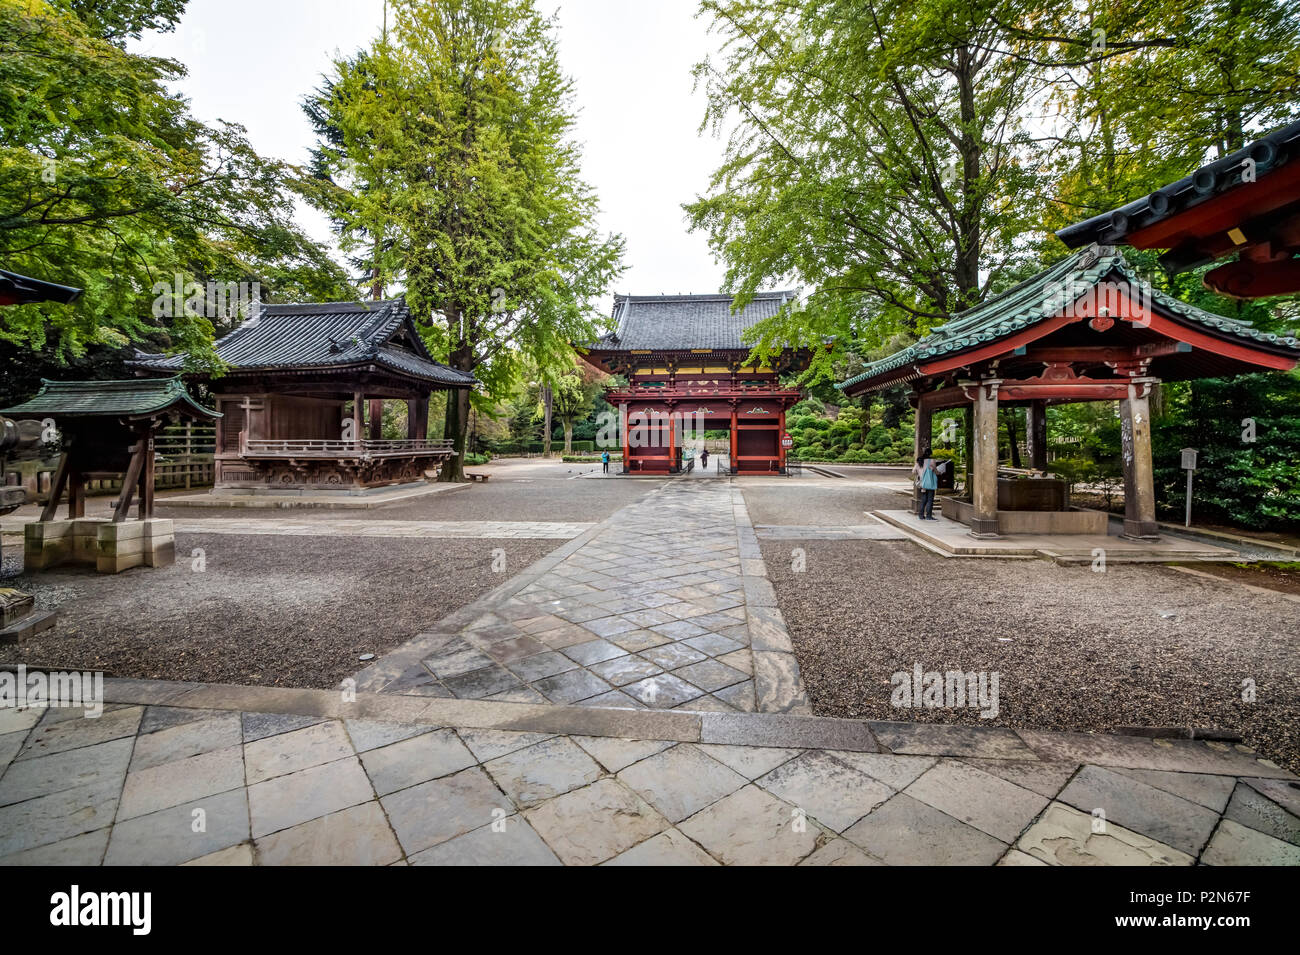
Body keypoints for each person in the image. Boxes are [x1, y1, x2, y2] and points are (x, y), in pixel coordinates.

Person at [912, 455, 941, 520]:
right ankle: (928, 516)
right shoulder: (931, 461)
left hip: (922, 484)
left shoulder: (919, 461)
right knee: (930, 500)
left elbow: (913, 471)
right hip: (930, 483)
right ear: (930, 454)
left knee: (923, 500)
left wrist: (919, 474)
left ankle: (921, 515)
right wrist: (939, 472)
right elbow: (936, 471)